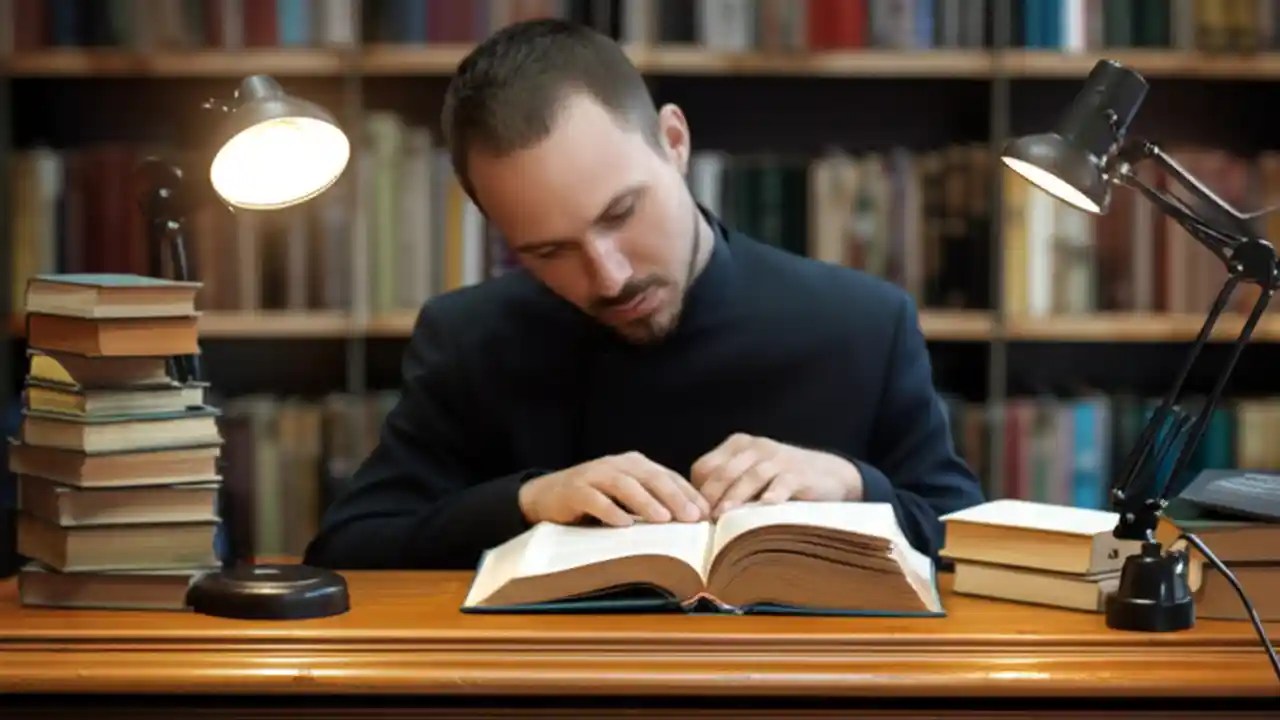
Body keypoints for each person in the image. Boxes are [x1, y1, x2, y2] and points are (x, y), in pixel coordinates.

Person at [303, 18, 985, 571]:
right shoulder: (467, 338)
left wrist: (851, 483)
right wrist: (530, 499)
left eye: (622, 212)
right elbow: (351, 545)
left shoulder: (864, 322)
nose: (608, 276)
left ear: (675, 142)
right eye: (548, 251)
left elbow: (970, 541)